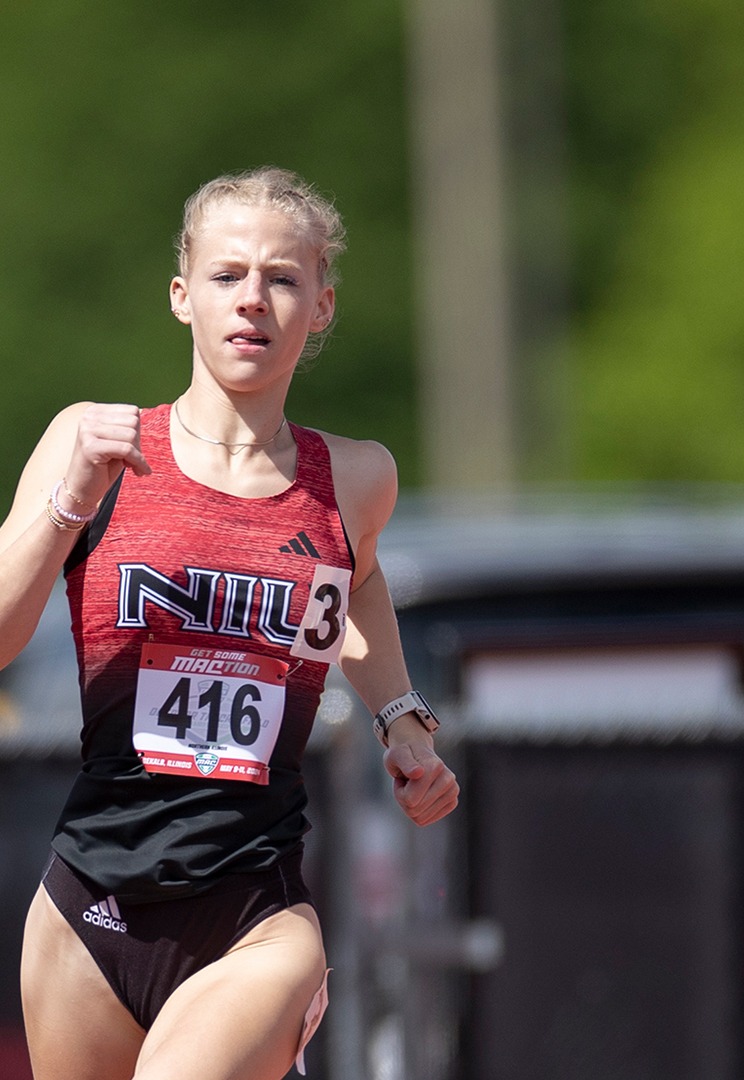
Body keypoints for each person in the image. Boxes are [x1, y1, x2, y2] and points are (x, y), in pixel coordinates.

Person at [0, 167, 459, 1080]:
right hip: (91, 903)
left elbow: (354, 580)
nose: (254, 300)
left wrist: (402, 719)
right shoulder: (98, 445)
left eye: (283, 279)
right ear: (183, 296)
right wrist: (65, 504)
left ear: (321, 305)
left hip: (254, 910)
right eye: (227, 275)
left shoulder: (356, 477)